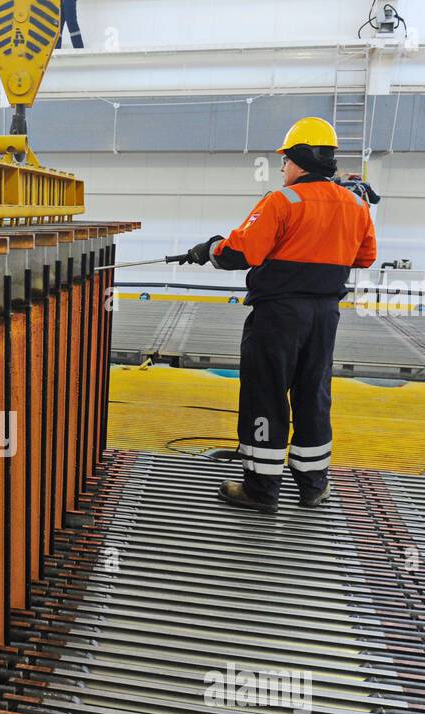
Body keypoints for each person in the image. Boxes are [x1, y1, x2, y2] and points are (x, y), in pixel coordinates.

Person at [171, 117, 377, 514]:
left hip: (279, 316)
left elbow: (241, 253)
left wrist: (209, 249)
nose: (282, 168)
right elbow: (364, 257)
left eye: (284, 161)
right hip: (324, 315)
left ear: (298, 160)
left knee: (266, 396)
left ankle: (262, 489)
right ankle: (314, 486)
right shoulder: (355, 203)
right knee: (313, 396)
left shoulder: (282, 202)